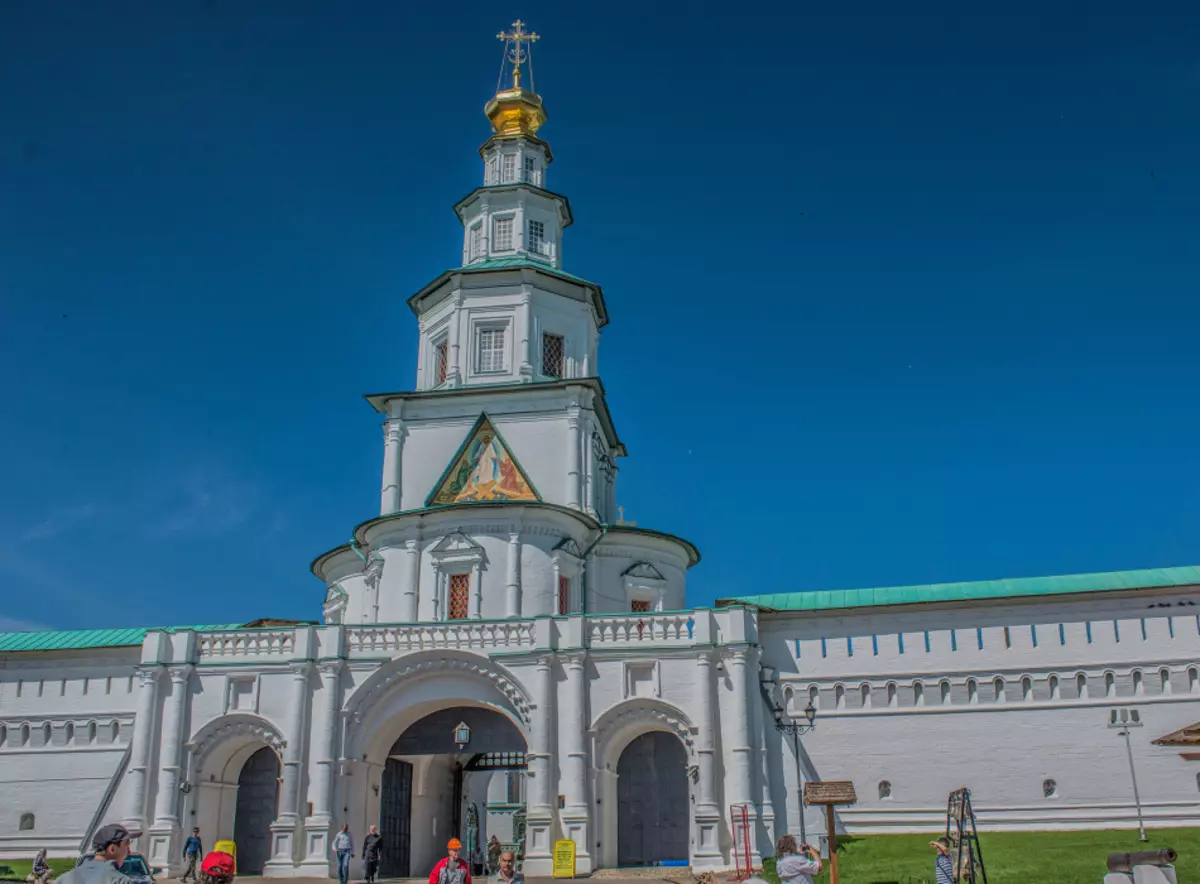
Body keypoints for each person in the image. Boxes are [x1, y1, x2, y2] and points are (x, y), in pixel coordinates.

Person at [58, 823, 139, 884]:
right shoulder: (120, 881)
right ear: (112, 849)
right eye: (126, 845)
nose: (129, 851)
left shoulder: (63, 879)